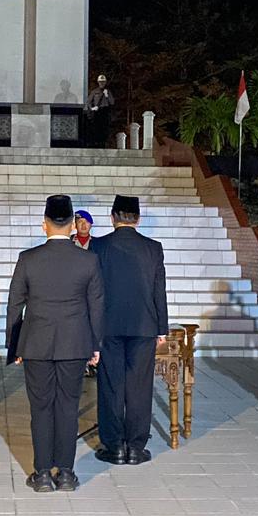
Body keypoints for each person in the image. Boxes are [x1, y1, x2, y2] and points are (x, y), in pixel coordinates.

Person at [6, 194, 103, 492]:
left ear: (44, 224)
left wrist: (16, 346)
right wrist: (95, 346)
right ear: (73, 224)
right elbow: (97, 306)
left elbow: (14, 305)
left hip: (36, 344)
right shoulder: (88, 260)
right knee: (68, 406)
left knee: (41, 408)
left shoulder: (28, 259)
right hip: (74, 345)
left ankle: (43, 474)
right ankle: (67, 474)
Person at [90, 195, 168, 465]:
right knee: (140, 386)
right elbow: (160, 291)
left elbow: (93, 291)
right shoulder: (153, 248)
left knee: (111, 385)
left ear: (112, 217)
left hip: (107, 326)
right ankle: (136, 446)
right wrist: (162, 328)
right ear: (138, 219)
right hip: (144, 325)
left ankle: (114, 446)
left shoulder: (98, 246)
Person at [86, 74, 115, 147]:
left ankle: (103, 142)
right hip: (97, 112)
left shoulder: (108, 92)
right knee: (96, 127)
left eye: (103, 82)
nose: (102, 83)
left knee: (105, 127)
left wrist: (106, 95)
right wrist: (92, 108)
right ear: (98, 82)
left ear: (105, 82)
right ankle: (97, 142)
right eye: (100, 82)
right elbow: (88, 101)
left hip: (105, 111)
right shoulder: (94, 91)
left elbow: (112, 102)